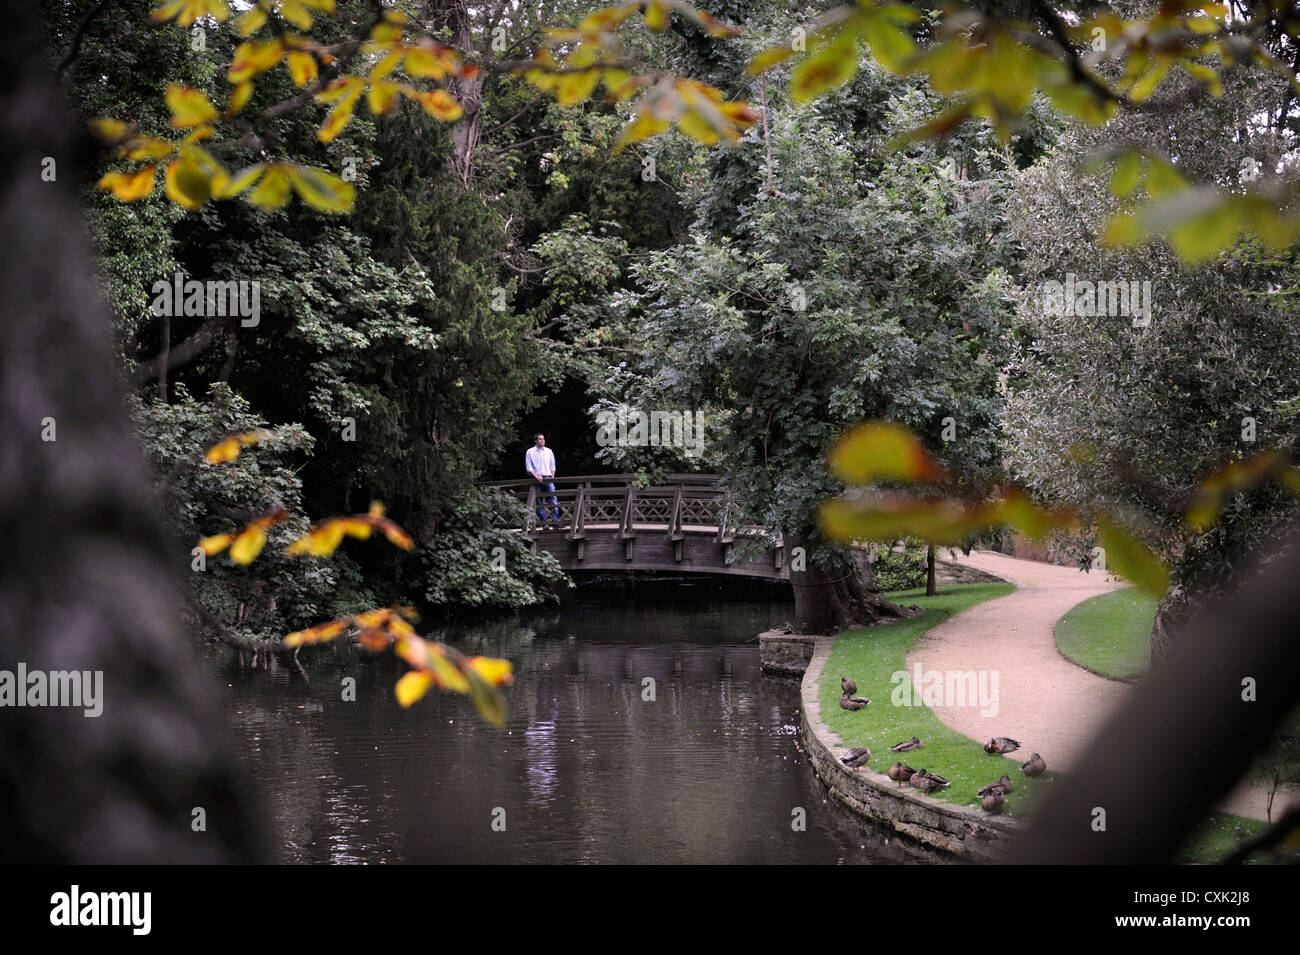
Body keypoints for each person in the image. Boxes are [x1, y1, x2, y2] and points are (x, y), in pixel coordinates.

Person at [525, 432, 559, 524]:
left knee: (553, 499)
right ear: (536, 441)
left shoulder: (549, 451)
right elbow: (529, 467)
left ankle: (556, 521)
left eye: (543, 439)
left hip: (548, 478)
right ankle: (544, 523)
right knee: (539, 501)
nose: (542, 440)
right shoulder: (530, 452)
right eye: (540, 439)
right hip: (536, 479)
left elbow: (553, 465)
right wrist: (536, 477)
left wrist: (552, 477)